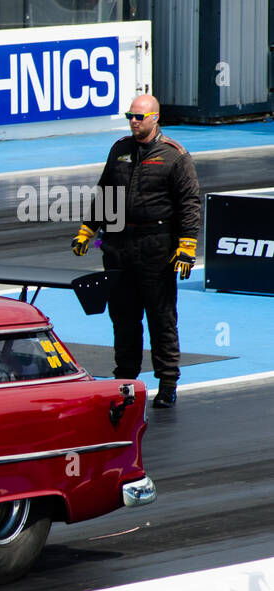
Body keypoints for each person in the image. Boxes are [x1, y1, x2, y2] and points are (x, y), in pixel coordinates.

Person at [71, 93, 200, 409]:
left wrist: (186, 245)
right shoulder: (120, 149)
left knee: (161, 318)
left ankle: (167, 382)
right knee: (123, 319)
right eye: (130, 115)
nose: (133, 121)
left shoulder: (174, 156)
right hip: (118, 248)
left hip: (156, 249)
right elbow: (105, 193)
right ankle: (125, 382)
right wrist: (88, 230)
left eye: (139, 116)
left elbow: (189, 203)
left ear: (155, 118)